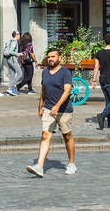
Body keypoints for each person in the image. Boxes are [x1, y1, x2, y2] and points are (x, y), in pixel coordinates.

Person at [27, 48, 76, 178]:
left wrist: (57, 106)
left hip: (64, 110)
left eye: (53, 56)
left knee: (67, 136)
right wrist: (40, 106)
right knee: (45, 136)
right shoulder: (45, 73)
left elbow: (67, 91)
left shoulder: (65, 72)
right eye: (49, 57)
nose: (51, 59)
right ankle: (39, 166)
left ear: (59, 58)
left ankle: (71, 163)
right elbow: (44, 90)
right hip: (48, 108)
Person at [3, 29, 23, 96]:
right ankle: (10, 87)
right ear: (16, 35)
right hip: (13, 60)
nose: (19, 36)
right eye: (19, 34)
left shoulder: (10, 41)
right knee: (20, 73)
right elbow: (11, 51)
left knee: (12, 74)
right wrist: (18, 54)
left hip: (9, 59)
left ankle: (10, 90)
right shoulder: (14, 42)